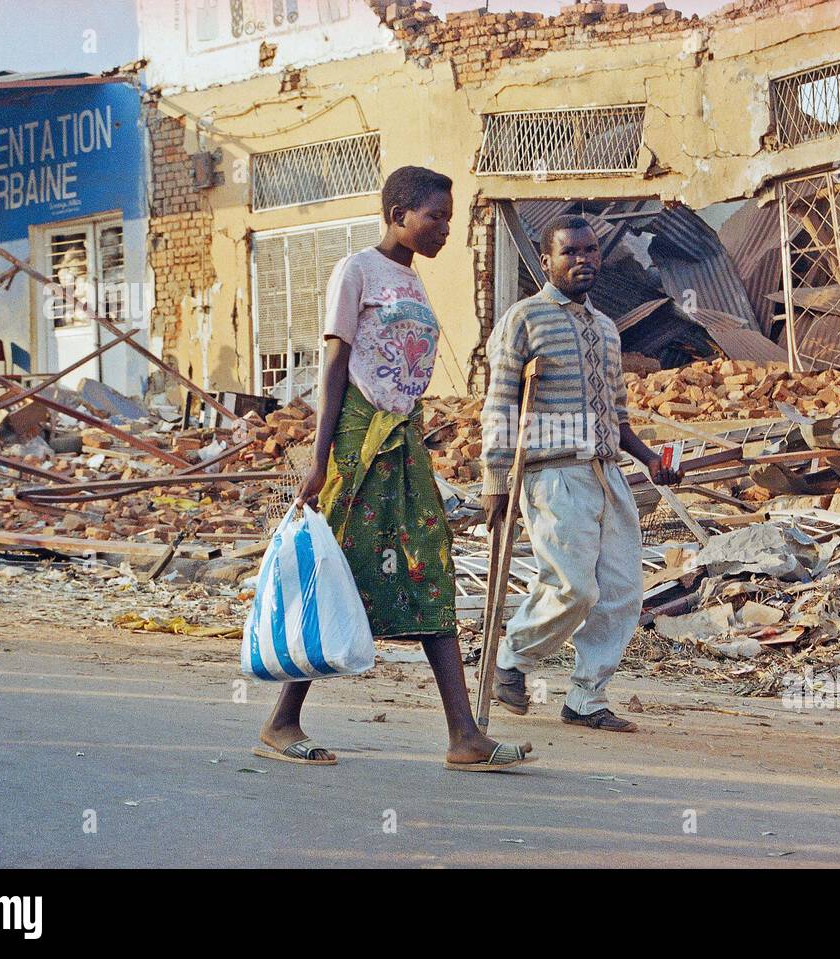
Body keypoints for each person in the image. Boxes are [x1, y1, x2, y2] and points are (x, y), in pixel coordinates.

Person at [255, 166, 534, 772]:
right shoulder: (355, 270)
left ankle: (464, 734)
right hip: (358, 438)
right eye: (435, 216)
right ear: (398, 213)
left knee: (428, 561)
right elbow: (335, 367)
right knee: (342, 567)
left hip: (402, 440)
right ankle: (282, 720)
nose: (444, 229)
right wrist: (319, 458)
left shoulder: (410, 280)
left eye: (449, 219)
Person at [481, 215, 681, 733]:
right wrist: (495, 482)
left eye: (591, 250)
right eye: (570, 252)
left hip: (606, 472)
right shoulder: (524, 319)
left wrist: (648, 458)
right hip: (553, 475)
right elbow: (501, 405)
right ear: (546, 261)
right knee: (575, 588)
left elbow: (617, 415)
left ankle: (587, 698)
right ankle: (511, 658)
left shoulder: (607, 329)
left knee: (620, 591)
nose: (584, 260)